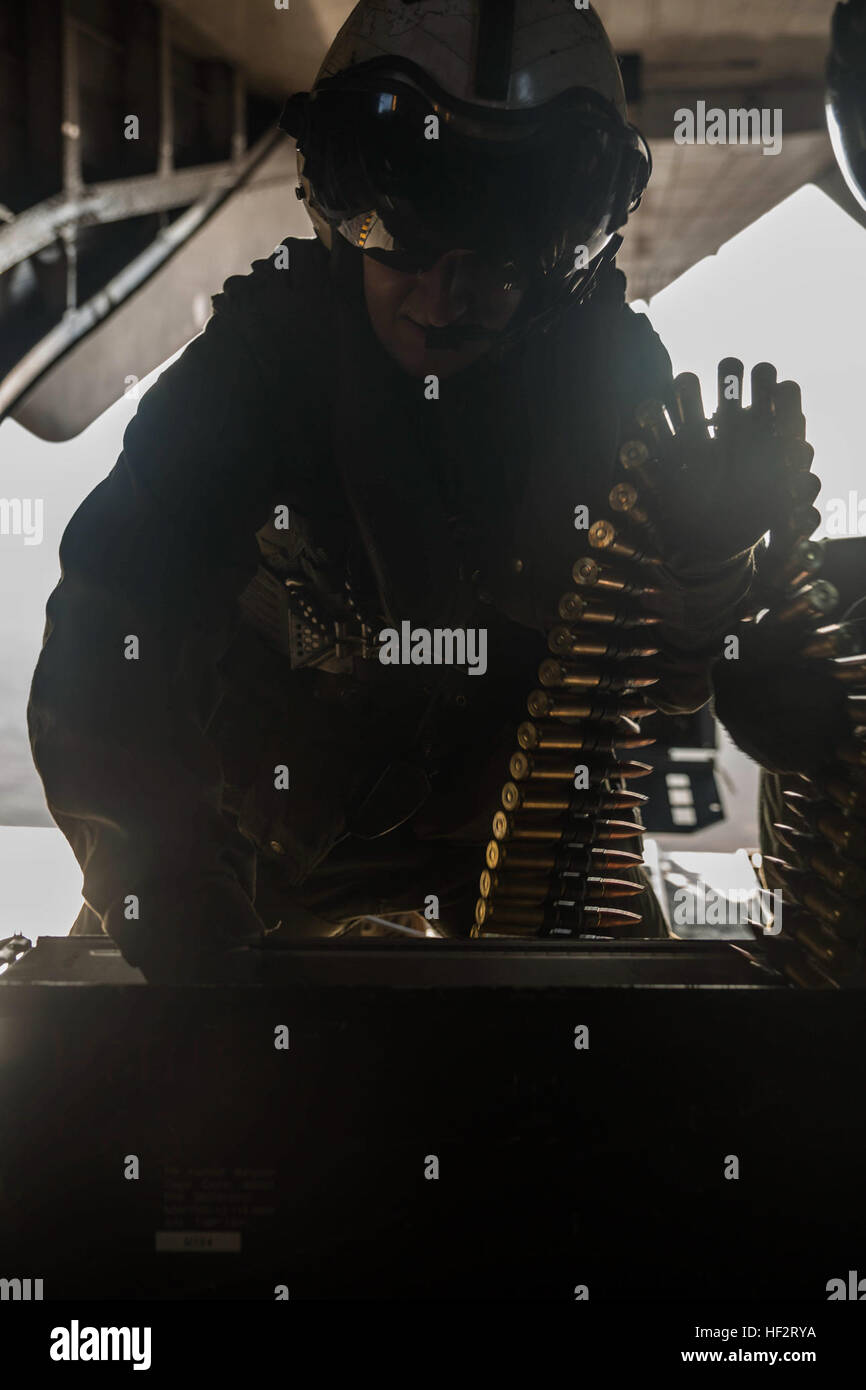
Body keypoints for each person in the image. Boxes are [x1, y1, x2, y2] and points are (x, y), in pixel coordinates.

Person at [27, 0, 809, 981]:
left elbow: (680, 670)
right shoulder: (257, 371)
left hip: (514, 884)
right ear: (338, 198)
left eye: (496, 257)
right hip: (248, 890)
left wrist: (731, 592)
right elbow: (113, 628)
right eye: (398, 229)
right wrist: (169, 893)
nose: (444, 299)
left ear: (565, 245)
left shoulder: (613, 391)